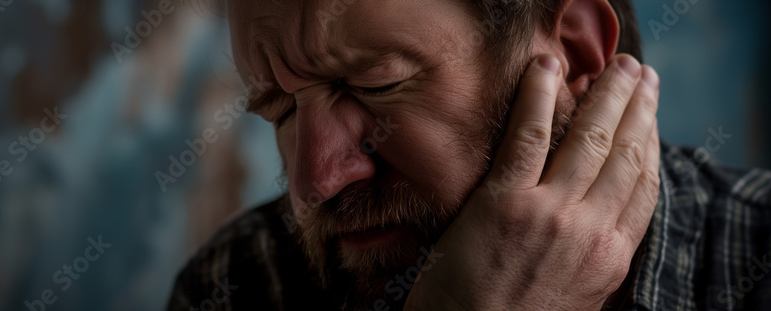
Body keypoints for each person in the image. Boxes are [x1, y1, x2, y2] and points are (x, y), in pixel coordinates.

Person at [168, 0, 771, 310]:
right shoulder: (240, 284)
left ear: (575, 53)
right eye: (282, 110)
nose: (315, 181)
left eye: (375, 84)